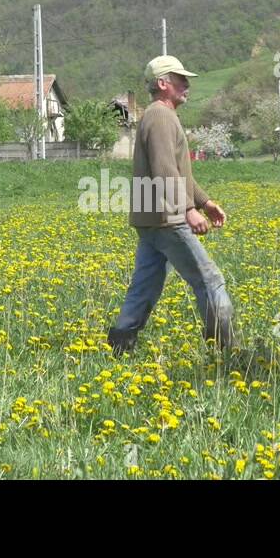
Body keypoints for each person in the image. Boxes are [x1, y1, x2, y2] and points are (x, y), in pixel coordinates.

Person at [107, 55, 236, 355]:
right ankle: (224, 351)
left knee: (144, 286)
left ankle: (119, 346)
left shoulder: (157, 116)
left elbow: (179, 172)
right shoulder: (161, 117)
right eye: (180, 79)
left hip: (152, 219)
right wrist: (187, 210)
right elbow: (165, 170)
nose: (186, 84)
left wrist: (204, 202)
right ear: (163, 83)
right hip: (167, 219)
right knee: (210, 281)